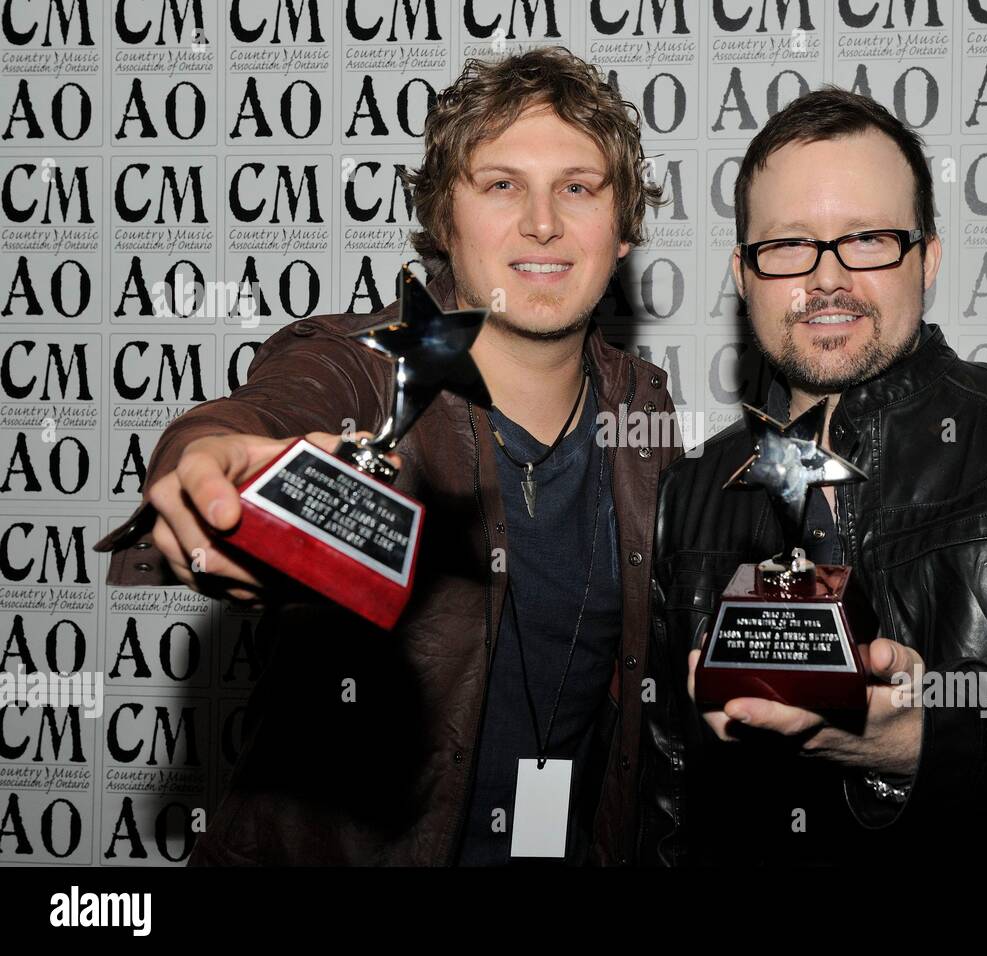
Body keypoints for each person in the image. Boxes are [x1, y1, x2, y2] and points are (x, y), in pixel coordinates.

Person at [95, 47, 679, 866]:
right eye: (501, 184)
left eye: (578, 188)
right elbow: (262, 412)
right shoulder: (364, 366)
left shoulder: (644, 411)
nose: (543, 221)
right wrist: (210, 460)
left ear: (621, 233)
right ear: (444, 219)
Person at [641, 88, 987, 866]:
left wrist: (929, 732)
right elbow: (672, 793)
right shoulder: (694, 492)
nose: (827, 277)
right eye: (788, 246)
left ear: (928, 258)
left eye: (868, 238)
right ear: (743, 274)